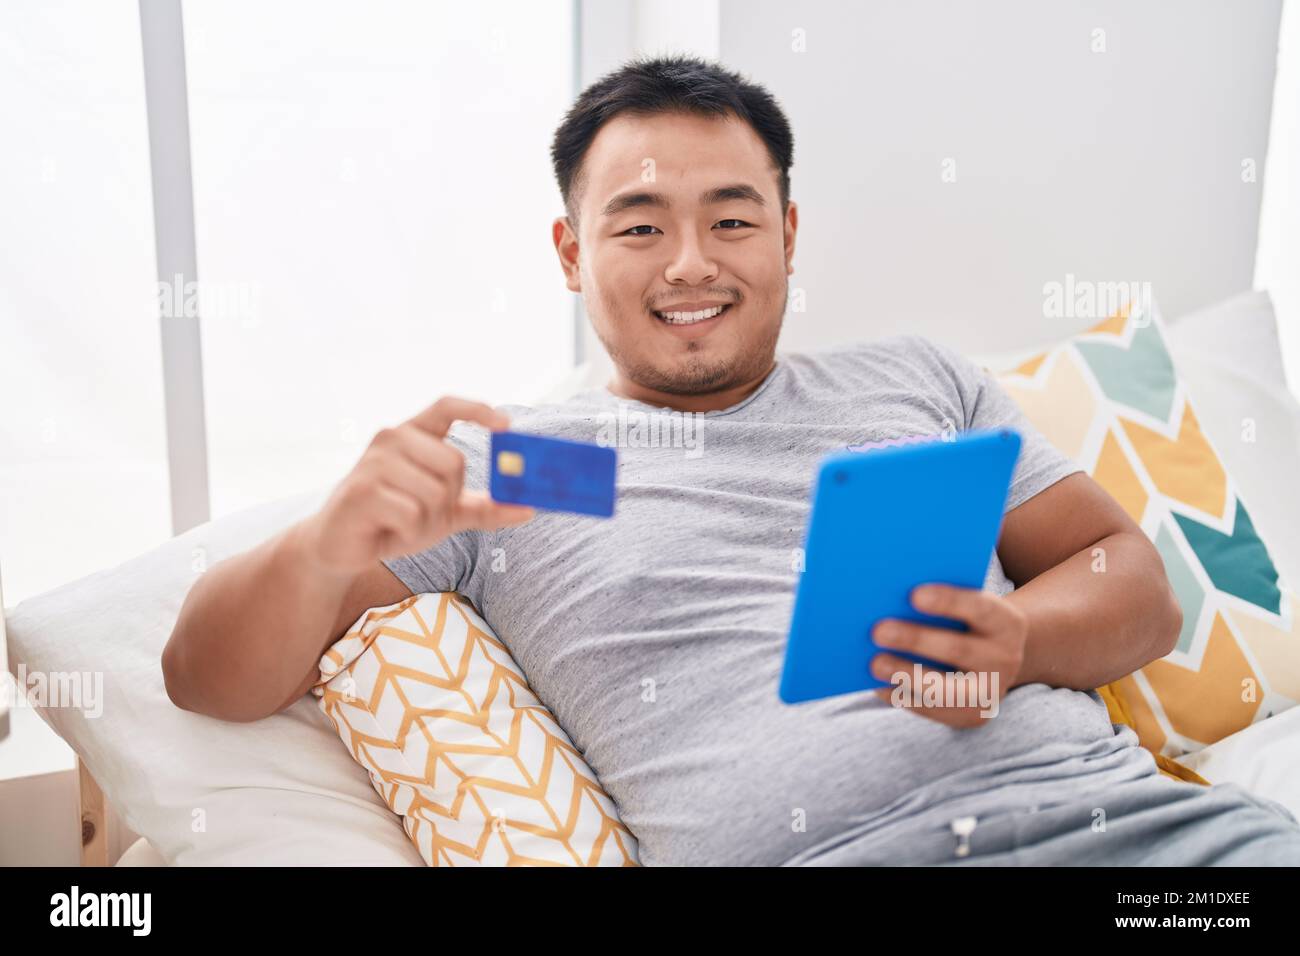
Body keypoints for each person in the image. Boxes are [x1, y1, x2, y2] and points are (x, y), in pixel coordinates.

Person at [161, 56, 1300, 866]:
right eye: (641, 225)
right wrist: (320, 546)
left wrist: (1022, 639)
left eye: (734, 220)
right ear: (571, 251)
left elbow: (1133, 586)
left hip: (1130, 830)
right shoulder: (528, 464)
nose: (691, 265)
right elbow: (206, 676)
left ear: (790, 235)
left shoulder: (912, 381)